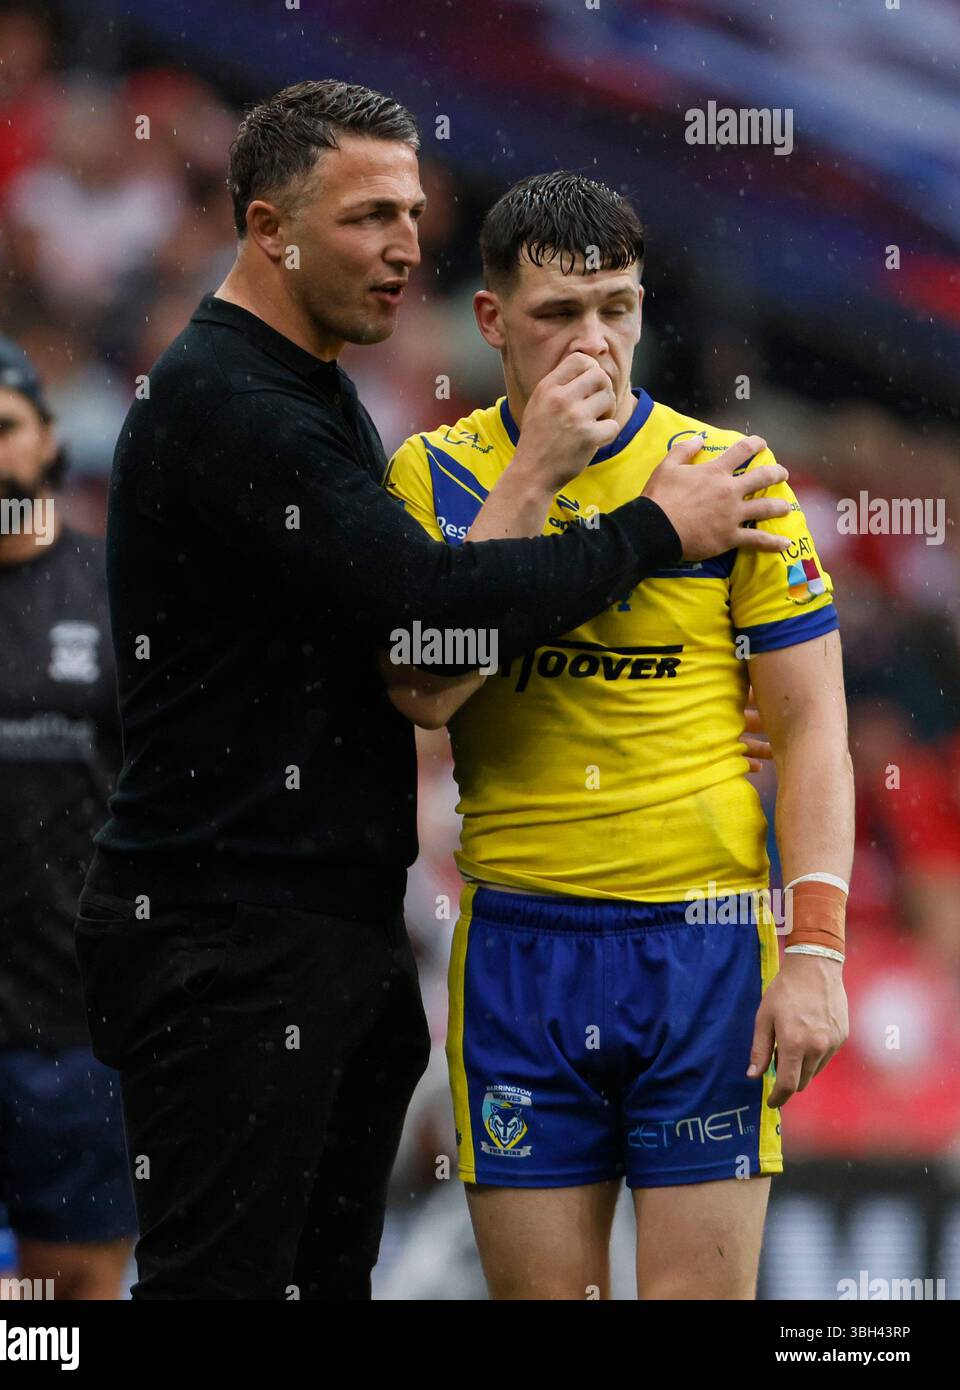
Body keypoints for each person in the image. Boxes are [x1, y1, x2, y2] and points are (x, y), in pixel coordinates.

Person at [75, 80, 793, 1301]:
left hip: (327, 927)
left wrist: (652, 700)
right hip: (229, 934)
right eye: (364, 218)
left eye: (414, 212)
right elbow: (430, 613)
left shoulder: (313, 390)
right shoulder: (226, 401)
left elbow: (419, 649)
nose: (403, 243)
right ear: (267, 229)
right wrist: (653, 528)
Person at [381, 172, 853, 1300]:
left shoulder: (734, 476)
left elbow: (812, 724)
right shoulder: (435, 474)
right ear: (492, 320)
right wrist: (539, 468)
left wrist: (823, 950)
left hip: (701, 949)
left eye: (618, 308)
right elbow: (426, 692)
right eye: (558, 314)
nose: (595, 341)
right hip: (518, 948)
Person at [0, 331, 135, 1300]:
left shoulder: (116, 590)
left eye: (0, 427)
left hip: (80, 1032)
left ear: (46, 438)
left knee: (74, 1295)